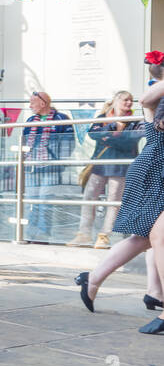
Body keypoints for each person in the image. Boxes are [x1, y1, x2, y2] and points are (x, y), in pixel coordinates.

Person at [76, 76, 164, 335]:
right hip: (153, 174)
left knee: (146, 238)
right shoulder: (153, 111)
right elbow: (146, 98)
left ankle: (92, 280)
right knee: (155, 235)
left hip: (151, 172)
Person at [70, 91, 143, 249]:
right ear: (116, 101)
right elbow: (93, 134)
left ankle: (104, 235)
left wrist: (108, 138)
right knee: (89, 197)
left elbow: (130, 142)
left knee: (113, 201)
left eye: (131, 100)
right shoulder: (103, 118)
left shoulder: (135, 120)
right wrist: (114, 131)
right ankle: (84, 234)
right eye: (125, 99)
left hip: (121, 167)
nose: (129, 103)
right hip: (100, 164)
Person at [22, 91, 73, 244]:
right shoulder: (31, 120)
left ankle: (43, 236)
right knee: (33, 202)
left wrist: (60, 161)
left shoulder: (61, 119)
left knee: (45, 201)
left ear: (43, 103)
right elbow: (24, 142)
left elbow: (68, 143)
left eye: (32, 102)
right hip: (32, 167)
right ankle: (30, 234)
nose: (30, 106)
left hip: (51, 167)